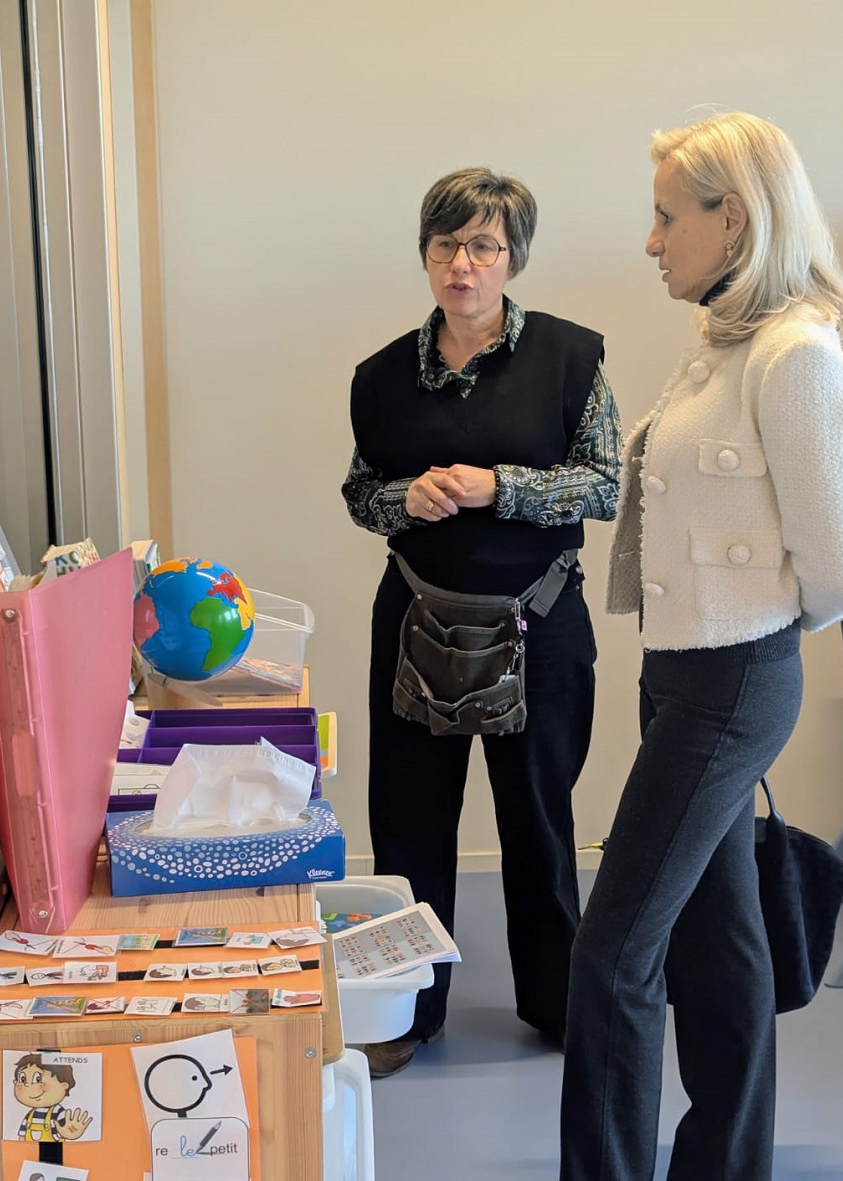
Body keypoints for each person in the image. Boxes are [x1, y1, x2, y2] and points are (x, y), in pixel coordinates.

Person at [525, 111, 843, 1181]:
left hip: (730, 680)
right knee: (718, 930)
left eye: (671, 212)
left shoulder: (793, 357)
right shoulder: (721, 345)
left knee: (614, 953)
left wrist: (753, 646)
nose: (652, 237)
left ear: (736, 216)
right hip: (685, 669)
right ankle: (726, 1166)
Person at [343, 167, 621, 1078]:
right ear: (425, 255)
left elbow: (606, 483)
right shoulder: (381, 376)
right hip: (416, 621)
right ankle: (405, 1015)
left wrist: (501, 487)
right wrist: (402, 500)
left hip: (539, 623)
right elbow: (358, 494)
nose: (462, 264)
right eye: (445, 245)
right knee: (409, 820)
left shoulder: (573, 359)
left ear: (513, 258)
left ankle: (556, 1006)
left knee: (537, 820)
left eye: (483, 246)